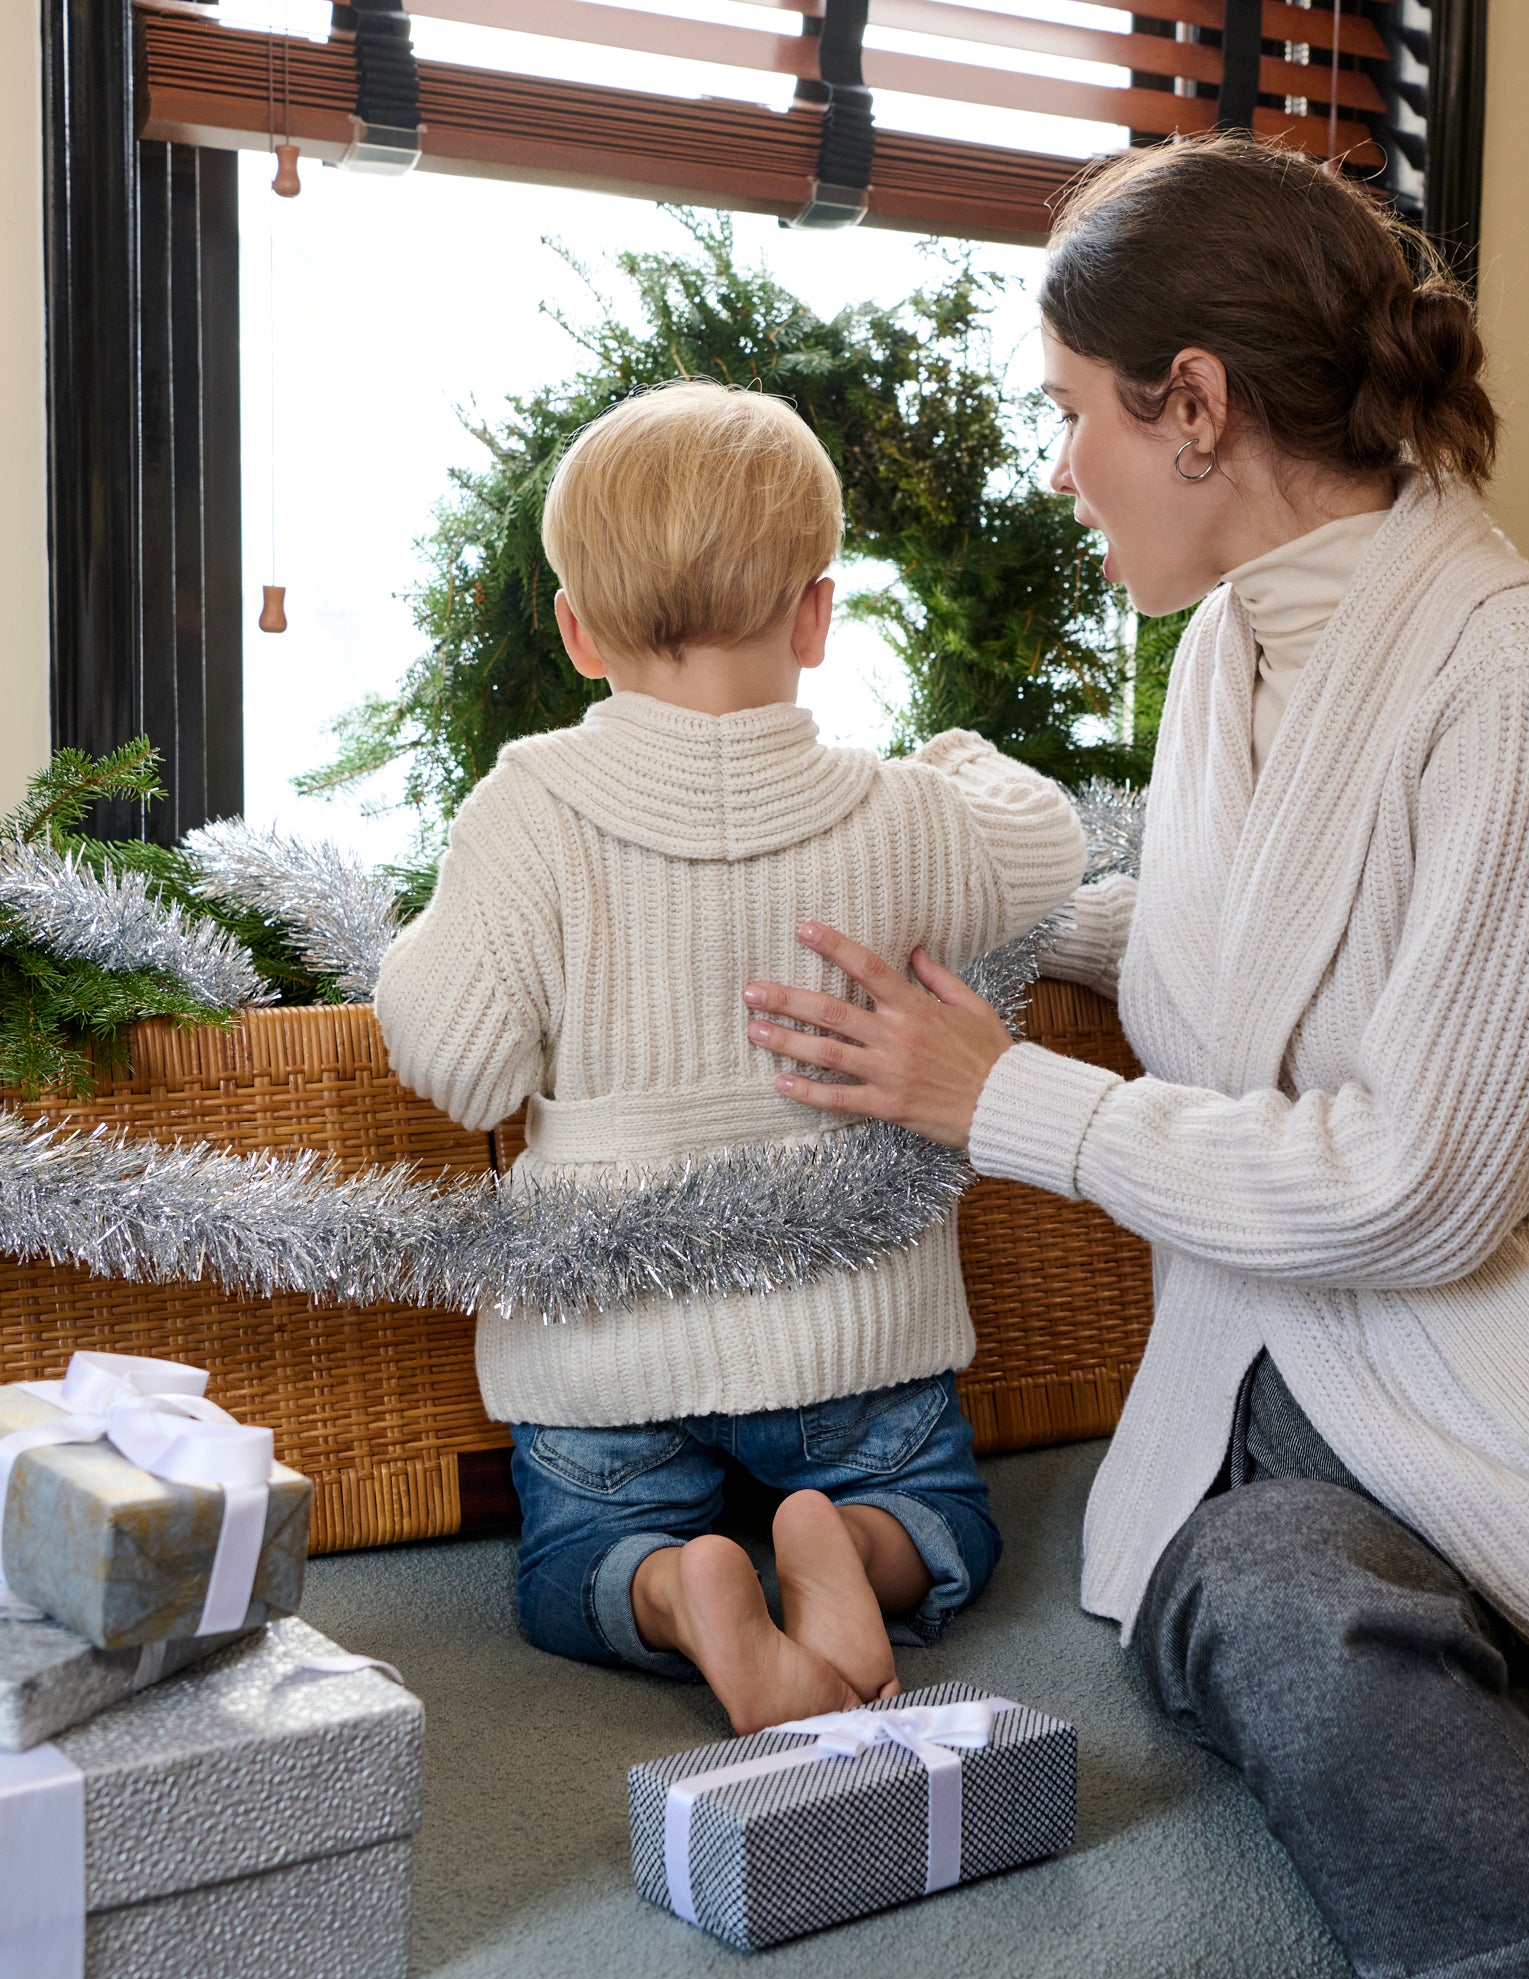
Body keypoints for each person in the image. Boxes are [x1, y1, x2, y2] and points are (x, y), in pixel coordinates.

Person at [736, 139, 1529, 1979]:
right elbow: (1256, 960)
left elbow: (1418, 1179)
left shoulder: (1523, 676)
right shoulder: (1231, 652)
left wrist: (999, 1097)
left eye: (1073, 410)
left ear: (1195, 407)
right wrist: (1008, 922)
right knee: (1273, 1607)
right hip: (1282, 1434)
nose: (1059, 464)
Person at [374, 381, 1084, 1735]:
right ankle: (854, 1546)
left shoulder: (526, 812)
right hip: (854, 1331)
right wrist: (959, 756)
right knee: (943, 1512)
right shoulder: (902, 814)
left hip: (605, 1351)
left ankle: (676, 1589)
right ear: (817, 616)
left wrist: (418, 953)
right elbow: (1050, 846)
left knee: (572, 1561)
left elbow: (463, 1067)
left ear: (578, 631)